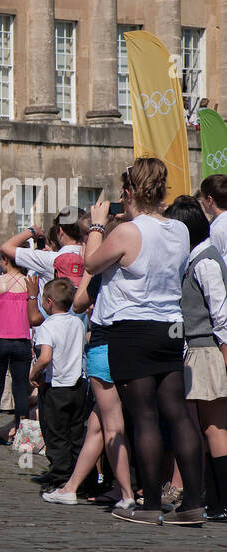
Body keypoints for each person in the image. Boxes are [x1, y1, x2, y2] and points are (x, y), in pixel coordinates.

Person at [84, 160, 203, 525]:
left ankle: (150, 504)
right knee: (178, 413)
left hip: (134, 328)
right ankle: (193, 502)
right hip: (170, 326)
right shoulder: (180, 230)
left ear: (131, 193)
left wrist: (97, 225)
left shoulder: (129, 232)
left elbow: (91, 263)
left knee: (145, 414)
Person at [164, 195, 227, 521]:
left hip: (206, 351)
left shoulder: (204, 261)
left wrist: (223, 359)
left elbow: (223, 316)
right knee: (205, 428)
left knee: (215, 428)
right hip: (199, 350)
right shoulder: (197, 258)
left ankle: (222, 501)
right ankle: (212, 500)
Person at [30, 278, 87, 490]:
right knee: (75, 432)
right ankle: (75, 474)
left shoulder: (47, 326)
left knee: (56, 433)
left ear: (49, 302)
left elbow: (45, 357)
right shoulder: (77, 323)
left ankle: (60, 475)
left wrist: (34, 374)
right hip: (78, 384)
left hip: (57, 385)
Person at [0, 249, 33, 447]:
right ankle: (21, 431)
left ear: (5, 261)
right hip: (22, 339)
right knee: (20, 388)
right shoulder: (29, 282)